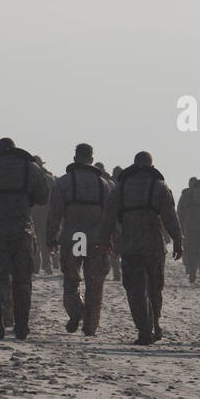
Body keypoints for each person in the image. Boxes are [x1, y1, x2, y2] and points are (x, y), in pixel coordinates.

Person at [0, 138, 49, 340]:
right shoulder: (32, 169)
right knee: (23, 280)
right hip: (23, 231)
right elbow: (43, 198)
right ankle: (22, 324)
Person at [100, 151, 182, 345]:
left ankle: (144, 329)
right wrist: (178, 240)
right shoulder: (160, 186)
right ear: (151, 166)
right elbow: (170, 216)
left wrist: (104, 239)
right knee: (155, 287)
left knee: (135, 289)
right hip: (154, 245)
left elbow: (109, 215)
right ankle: (156, 324)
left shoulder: (121, 187)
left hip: (130, 244)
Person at [46, 143, 112, 336]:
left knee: (72, 281)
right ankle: (90, 326)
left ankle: (76, 311)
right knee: (95, 283)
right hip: (97, 240)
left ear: (74, 158)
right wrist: (112, 237)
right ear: (92, 159)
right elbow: (111, 214)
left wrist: (51, 237)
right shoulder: (105, 184)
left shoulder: (64, 182)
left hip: (75, 238)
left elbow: (55, 213)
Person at [177, 177, 200, 285]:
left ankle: (192, 273)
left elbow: (179, 212)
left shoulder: (186, 195)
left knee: (191, 253)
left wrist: (180, 229)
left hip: (190, 229)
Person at [31, 155, 57, 275]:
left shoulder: (30, 177)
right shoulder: (49, 178)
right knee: (44, 240)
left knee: (35, 240)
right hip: (46, 212)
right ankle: (47, 266)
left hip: (35, 212)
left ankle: (37, 266)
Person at [108, 165, 125, 280]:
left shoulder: (109, 185)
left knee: (113, 250)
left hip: (113, 222)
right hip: (125, 222)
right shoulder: (127, 185)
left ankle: (116, 273)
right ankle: (122, 272)